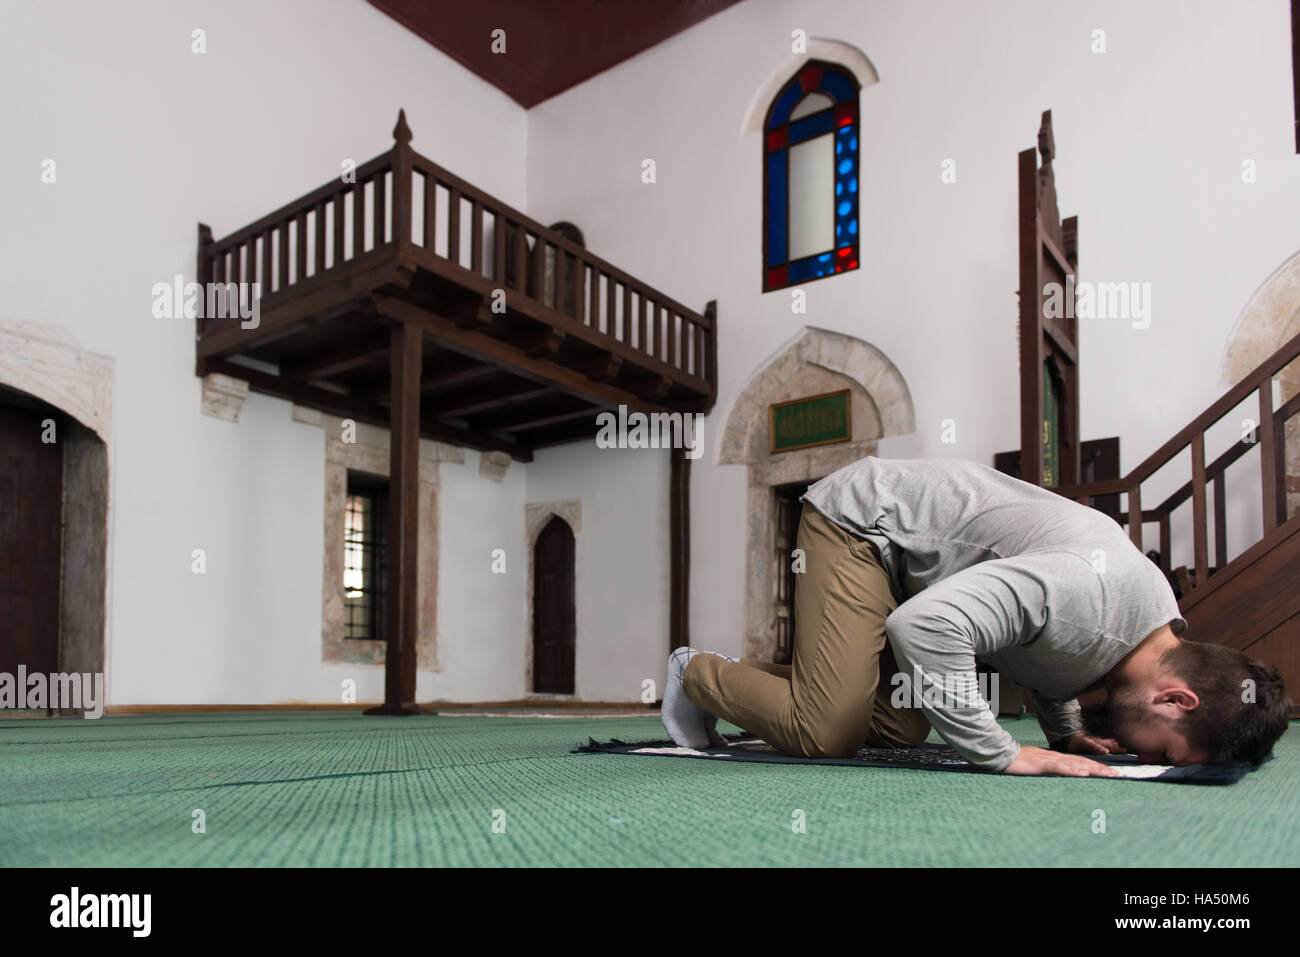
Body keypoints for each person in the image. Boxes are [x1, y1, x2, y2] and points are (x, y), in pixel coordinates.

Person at [661, 456, 1290, 775]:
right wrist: (1004, 754)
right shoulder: (1087, 595)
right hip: (865, 524)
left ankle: (762, 681)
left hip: (918, 573)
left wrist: (1063, 732)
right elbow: (925, 628)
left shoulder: (1149, 622)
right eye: (1169, 756)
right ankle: (696, 673)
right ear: (1176, 701)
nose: (1145, 758)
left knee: (898, 728)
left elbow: (1050, 651)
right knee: (829, 732)